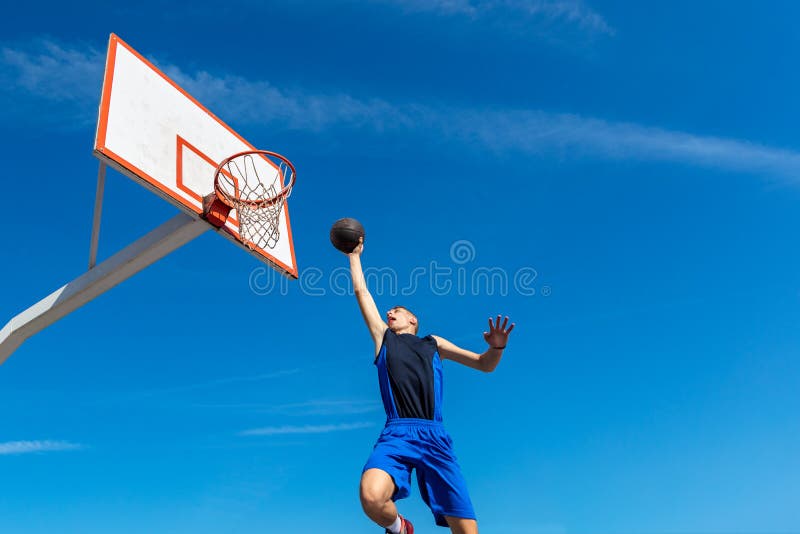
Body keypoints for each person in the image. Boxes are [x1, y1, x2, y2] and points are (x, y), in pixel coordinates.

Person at [346, 237, 515, 534]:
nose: (389, 313)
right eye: (389, 312)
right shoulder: (383, 339)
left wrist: (497, 348)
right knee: (371, 497)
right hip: (397, 432)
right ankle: (400, 528)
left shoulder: (433, 343)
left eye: (396, 310)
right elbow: (362, 292)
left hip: (434, 436)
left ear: (413, 319)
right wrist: (354, 254)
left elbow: (483, 364)